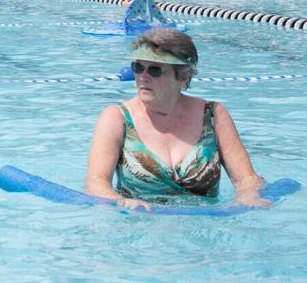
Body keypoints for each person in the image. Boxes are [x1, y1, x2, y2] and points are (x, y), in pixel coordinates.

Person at [85, 28, 267, 210]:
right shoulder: (117, 118)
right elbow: (96, 181)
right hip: (140, 221)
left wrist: (248, 196)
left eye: (155, 70)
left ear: (182, 77)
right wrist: (120, 201)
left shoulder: (214, 115)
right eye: (138, 67)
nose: (142, 77)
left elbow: (246, 178)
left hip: (205, 221)